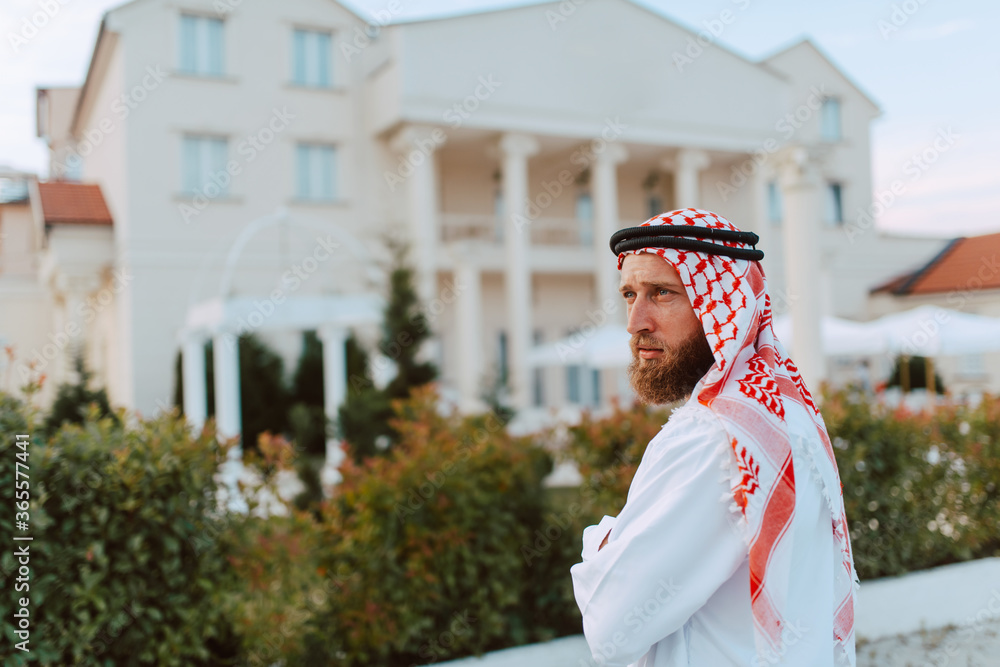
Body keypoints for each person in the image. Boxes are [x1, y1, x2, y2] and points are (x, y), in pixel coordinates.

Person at [570, 208, 858, 667]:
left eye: (662, 293)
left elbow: (611, 631)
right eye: (629, 295)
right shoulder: (788, 413)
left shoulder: (709, 438)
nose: (636, 321)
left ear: (724, 305)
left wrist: (604, 541)